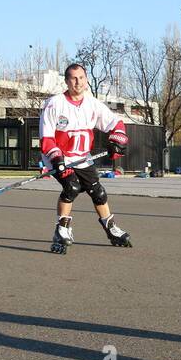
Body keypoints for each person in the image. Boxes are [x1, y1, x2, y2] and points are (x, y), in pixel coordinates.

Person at [39, 63, 132, 253]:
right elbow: (46, 138)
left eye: (81, 77)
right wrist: (57, 160)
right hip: (58, 157)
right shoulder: (54, 104)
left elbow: (116, 124)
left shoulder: (92, 104)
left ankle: (111, 228)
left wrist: (118, 140)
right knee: (72, 187)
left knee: (98, 192)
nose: (78, 82)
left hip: (82, 158)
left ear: (86, 80)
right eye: (73, 78)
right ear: (66, 81)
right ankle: (62, 229)